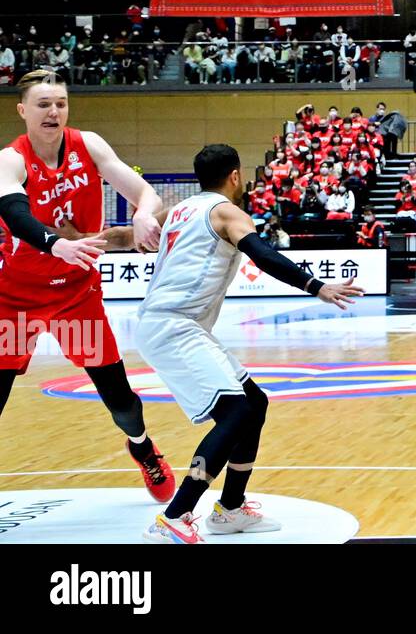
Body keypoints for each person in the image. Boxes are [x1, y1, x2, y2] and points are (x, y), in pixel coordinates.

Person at [103, 145, 364, 543]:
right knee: (236, 414)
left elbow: (124, 236)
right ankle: (175, 516)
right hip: (175, 325)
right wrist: (317, 286)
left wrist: (73, 240)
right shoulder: (227, 212)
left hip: (173, 324)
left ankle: (230, 509)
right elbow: (261, 254)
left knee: (254, 404)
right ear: (236, 176)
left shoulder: (178, 211)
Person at [0, 70, 175, 502]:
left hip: (76, 295)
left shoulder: (89, 144)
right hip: (15, 300)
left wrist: (143, 213)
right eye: (43, 104)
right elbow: (15, 215)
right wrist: (55, 243)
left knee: (122, 402)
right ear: (23, 110)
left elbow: (143, 192)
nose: (53, 112)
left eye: (60, 103)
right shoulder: (11, 160)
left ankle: (143, 448)